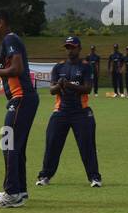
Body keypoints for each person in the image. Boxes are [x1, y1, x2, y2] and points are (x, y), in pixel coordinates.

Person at [0, 9, 39, 208]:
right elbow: (12, 70)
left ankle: (11, 193)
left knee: (7, 142)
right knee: (17, 146)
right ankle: (20, 191)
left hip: (21, 99)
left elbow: (17, 69)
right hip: (23, 99)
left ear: (0, 22)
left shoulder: (10, 39)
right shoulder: (9, 41)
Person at [36, 36, 102, 188]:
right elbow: (52, 90)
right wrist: (59, 85)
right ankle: (45, 175)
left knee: (87, 145)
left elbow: (88, 88)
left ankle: (95, 177)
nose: (69, 50)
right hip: (61, 111)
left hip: (81, 111)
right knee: (52, 144)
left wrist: (69, 85)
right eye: (67, 47)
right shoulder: (59, 67)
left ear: (79, 48)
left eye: (72, 47)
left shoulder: (86, 66)